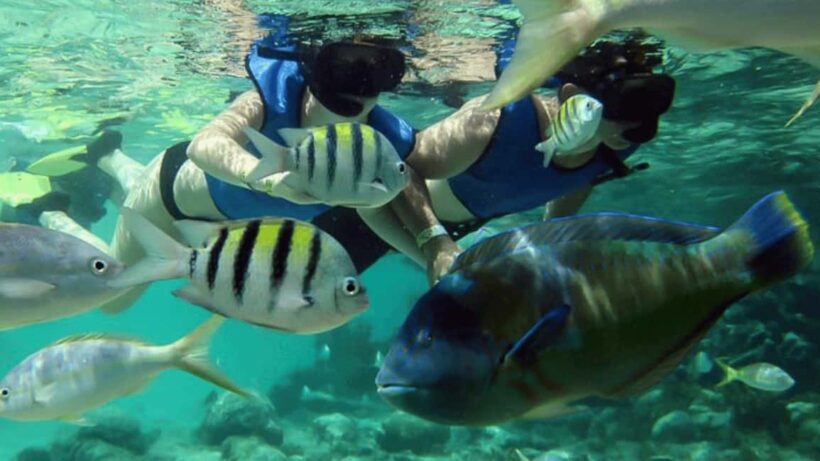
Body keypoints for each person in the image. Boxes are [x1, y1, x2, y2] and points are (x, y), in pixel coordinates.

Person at [19, 27, 418, 315]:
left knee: (117, 282)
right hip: (168, 199)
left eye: (378, 73)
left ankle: (108, 155)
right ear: (314, 69)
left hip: (218, 237)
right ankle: (45, 209)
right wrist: (271, 181)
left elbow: (372, 208)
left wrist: (433, 252)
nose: (360, 85)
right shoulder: (272, 97)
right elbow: (203, 146)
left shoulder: (376, 145)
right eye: (343, 66)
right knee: (109, 297)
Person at [358, 34, 676, 284]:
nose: (639, 124)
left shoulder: (618, 140)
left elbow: (580, 178)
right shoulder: (496, 120)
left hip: (457, 232)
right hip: (394, 212)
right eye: (627, 104)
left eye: (648, 107)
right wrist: (433, 244)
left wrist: (551, 237)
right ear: (570, 97)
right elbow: (397, 169)